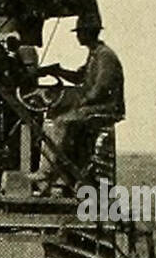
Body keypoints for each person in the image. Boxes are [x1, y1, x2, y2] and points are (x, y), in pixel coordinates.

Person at [32, 11, 125, 195]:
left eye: (80, 33)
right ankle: (60, 176)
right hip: (97, 106)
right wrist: (58, 71)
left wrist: (80, 103)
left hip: (105, 108)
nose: (78, 36)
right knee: (58, 116)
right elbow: (79, 77)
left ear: (89, 33)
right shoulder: (94, 54)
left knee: (61, 122)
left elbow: (101, 88)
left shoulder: (105, 56)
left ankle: (47, 173)